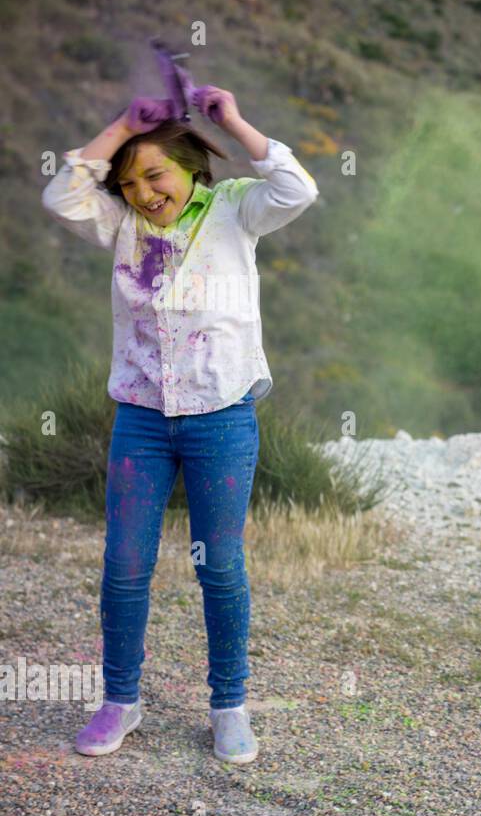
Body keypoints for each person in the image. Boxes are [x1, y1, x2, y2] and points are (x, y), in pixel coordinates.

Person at [41, 86, 319, 764]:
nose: (141, 191)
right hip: (140, 418)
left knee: (219, 567)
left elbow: (298, 188)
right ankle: (120, 701)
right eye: (130, 182)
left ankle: (229, 707)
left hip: (221, 417)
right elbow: (61, 197)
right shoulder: (119, 222)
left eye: (154, 174)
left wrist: (233, 120)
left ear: (192, 167)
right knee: (125, 565)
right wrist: (121, 127)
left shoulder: (234, 209)